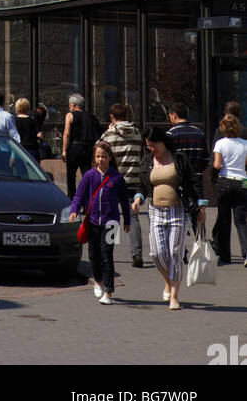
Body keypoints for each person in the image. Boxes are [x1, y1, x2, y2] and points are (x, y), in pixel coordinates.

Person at [132, 124, 205, 311]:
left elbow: (192, 182)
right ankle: (168, 280)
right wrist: (138, 198)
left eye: (153, 145)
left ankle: (174, 296)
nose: (151, 148)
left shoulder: (178, 159)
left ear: (162, 142)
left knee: (175, 253)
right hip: (155, 211)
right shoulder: (148, 161)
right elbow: (142, 185)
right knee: (157, 253)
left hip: (177, 211)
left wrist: (201, 206)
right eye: (148, 145)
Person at [70, 140, 131, 304]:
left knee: (107, 255)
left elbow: (124, 201)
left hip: (111, 223)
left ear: (110, 157)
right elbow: (79, 195)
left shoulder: (116, 178)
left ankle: (109, 292)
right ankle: (98, 281)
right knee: (93, 255)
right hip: (93, 222)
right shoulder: (89, 176)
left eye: (103, 156)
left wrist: (127, 219)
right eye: (97, 156)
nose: (100, 159)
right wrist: (74, 210)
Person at [102, 104, 146, 268]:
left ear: (112, 117)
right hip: (133, 180)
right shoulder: (136, 133)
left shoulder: (109, 134)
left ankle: (109, 252)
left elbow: (99, 149)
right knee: (133, 216)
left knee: (112, 216)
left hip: (114, 181)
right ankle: (136, 253)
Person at [211, 114, 247, 265]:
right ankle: (246, 253)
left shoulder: (220, 143)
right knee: (241, 220)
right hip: (242, 181)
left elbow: (217, 165)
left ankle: (225, 255)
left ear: (223, 128)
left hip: (225, 181)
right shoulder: (245, 143)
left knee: (225, 219)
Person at [63, 94, 99, 198]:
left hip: (74, 148)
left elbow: (67, 133)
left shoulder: (70, 115)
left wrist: (64, 150)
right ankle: (87, 202)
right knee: (86, 175)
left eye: (70, 104)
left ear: (73, 104)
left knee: (71, 176)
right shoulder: (89, 116)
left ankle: (72, 200)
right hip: (87, 149)